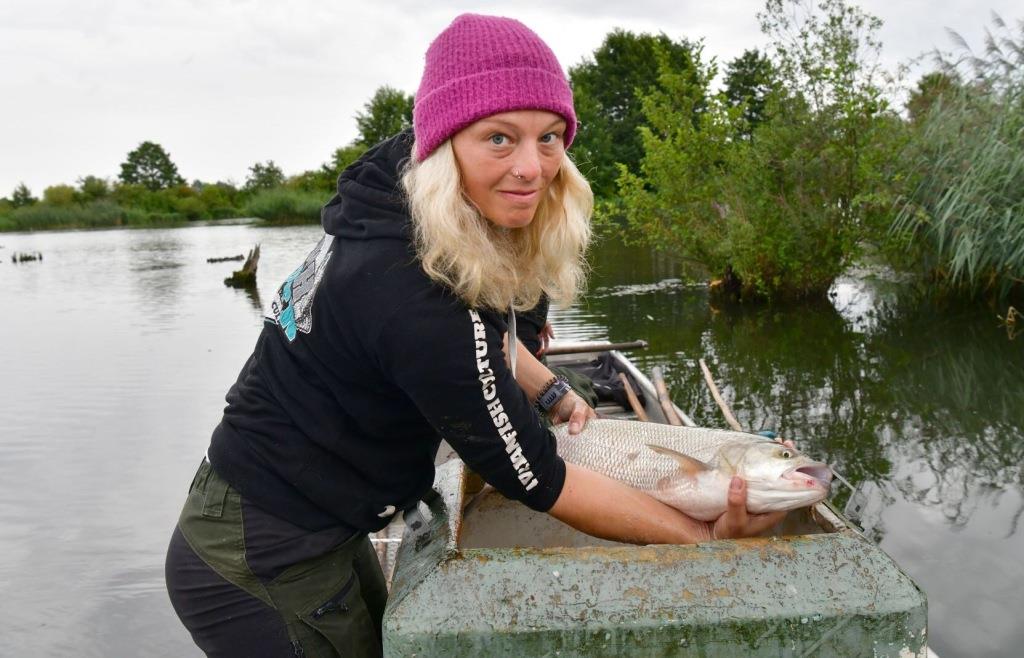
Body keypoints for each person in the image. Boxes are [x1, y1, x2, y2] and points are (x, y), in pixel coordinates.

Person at [164, 13, 785, 658]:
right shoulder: (410, 296)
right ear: (446, 143)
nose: (531, 167)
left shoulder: (397, 193)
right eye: (498, 138)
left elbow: (481, 344)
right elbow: (541, 479)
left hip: (322, 518)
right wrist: (705, 544)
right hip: (258, 552)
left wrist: (550, 393)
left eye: (549, 138)